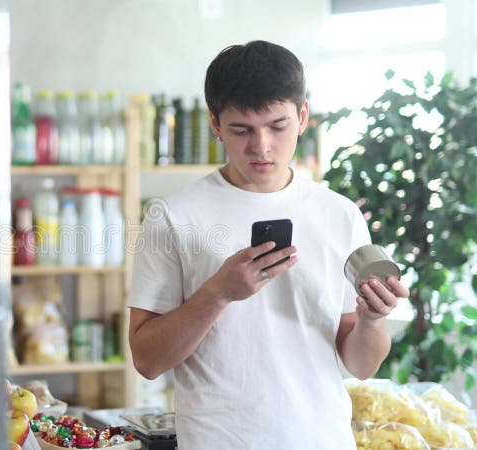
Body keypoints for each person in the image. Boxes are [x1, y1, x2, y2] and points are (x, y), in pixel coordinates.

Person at [127, 40, 410, 449]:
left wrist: (371, 319)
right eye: (242, 130)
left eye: (277, 126)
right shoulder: (173, 215)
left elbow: (361, 365)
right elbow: (147, 361)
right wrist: (219, 292)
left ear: (303, 116)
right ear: (215, 125)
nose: (261, 147)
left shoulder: (340, 214)